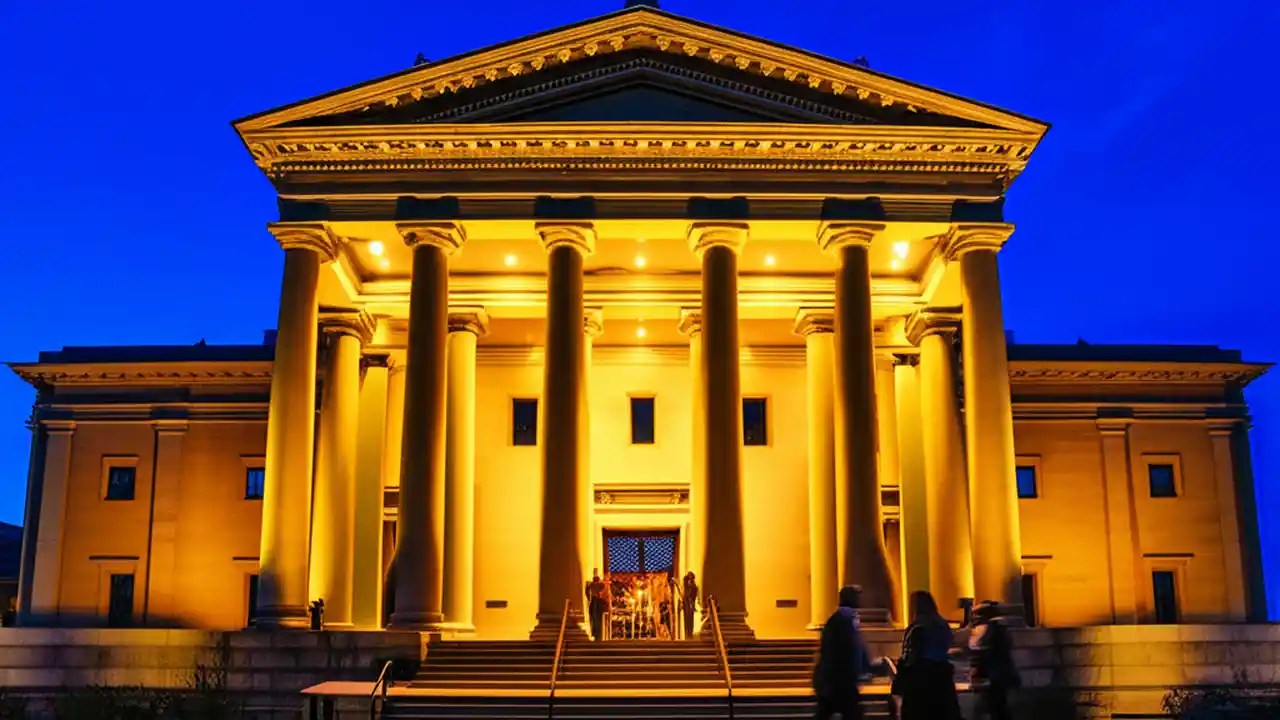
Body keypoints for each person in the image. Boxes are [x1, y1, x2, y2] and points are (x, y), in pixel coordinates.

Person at [892, 591, 961, 720]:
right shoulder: (942, 624)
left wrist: (899, 682)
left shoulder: (916, 628)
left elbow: (910, 656)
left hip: (920, 683)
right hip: (942, 681)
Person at [813, 585, 872, 720]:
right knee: (850, 712)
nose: (860, 600)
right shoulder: (846, 618)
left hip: (835, 679)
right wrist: (862, 668)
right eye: (857, 596)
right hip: (841, 679)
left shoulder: (839, 618)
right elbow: (853, 648)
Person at [969, 601, 1020, 720]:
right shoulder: (1001, 629)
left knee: (992, 708)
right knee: (1000, 708)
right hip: (1001, 674)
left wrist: (976, 674)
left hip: (991, 677)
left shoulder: (983, 630)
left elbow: (980, 653)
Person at [585, 569, 607, 641]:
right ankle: (597, 635)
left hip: (596, 603)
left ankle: (597, 635)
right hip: (595, 603)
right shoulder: (595, 585)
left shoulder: (595, 585)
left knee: (596, 619)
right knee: (595, 619)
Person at [681, 571, 699, 639]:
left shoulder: (692, 586)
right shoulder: (687, 586)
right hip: (687, 604)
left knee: (690, 619)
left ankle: (690, 633)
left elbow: (694, 592)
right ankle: (688, 633)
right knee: (688, 619)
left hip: (690, 603)